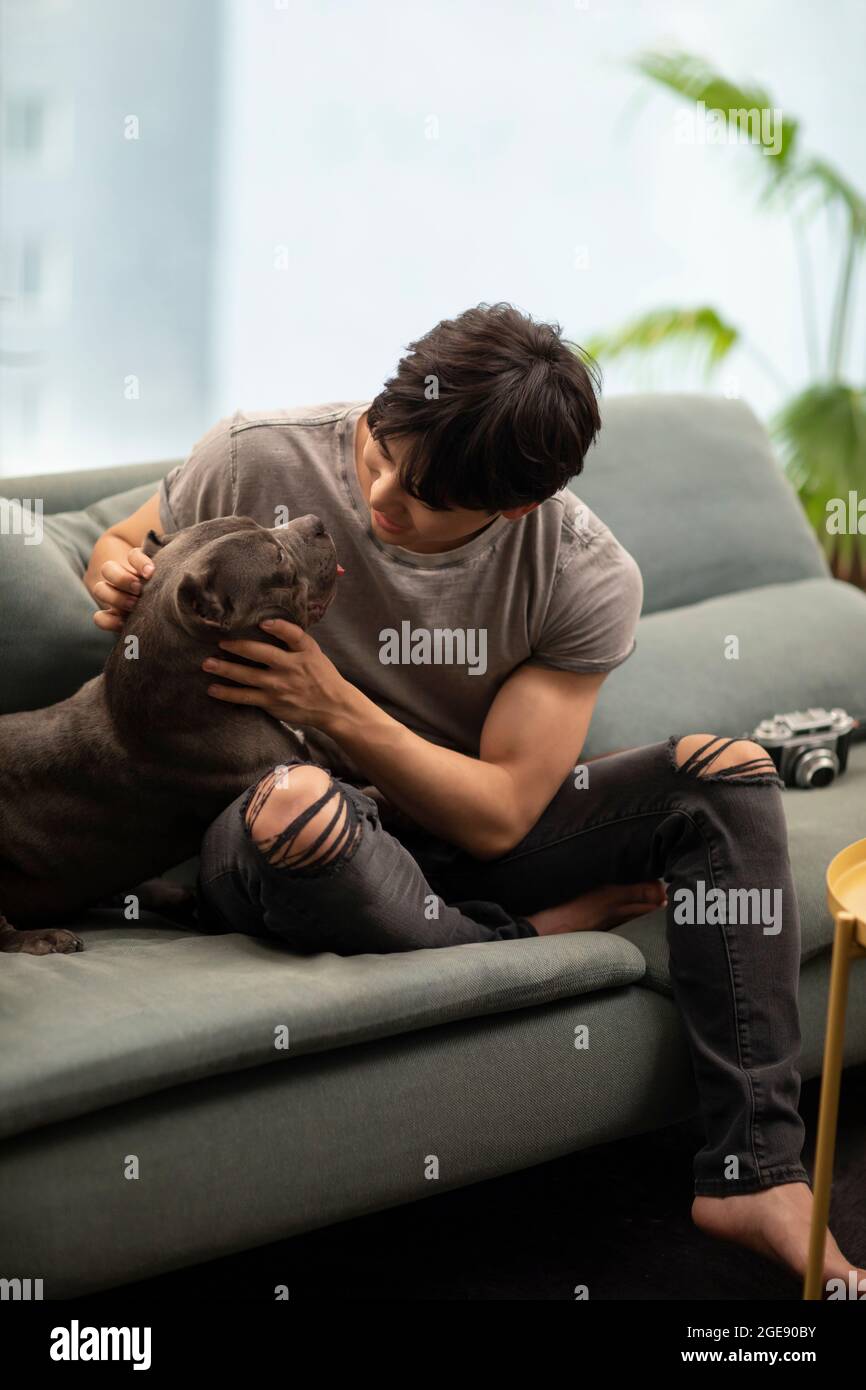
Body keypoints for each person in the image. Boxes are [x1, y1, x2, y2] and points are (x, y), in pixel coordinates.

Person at [85, 301, 864, 1293]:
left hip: (462, 834)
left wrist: (336, 702)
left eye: (419, 498)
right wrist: (113, 566)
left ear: (510, 510)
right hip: (281, 828)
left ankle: (754, 1173)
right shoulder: (251, 458)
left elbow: (499, 811)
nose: (378, 493)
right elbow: (127, 538)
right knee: (298, 805)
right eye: (379, 453)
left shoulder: (580, 574)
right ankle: (516, 937)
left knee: (724, 776)